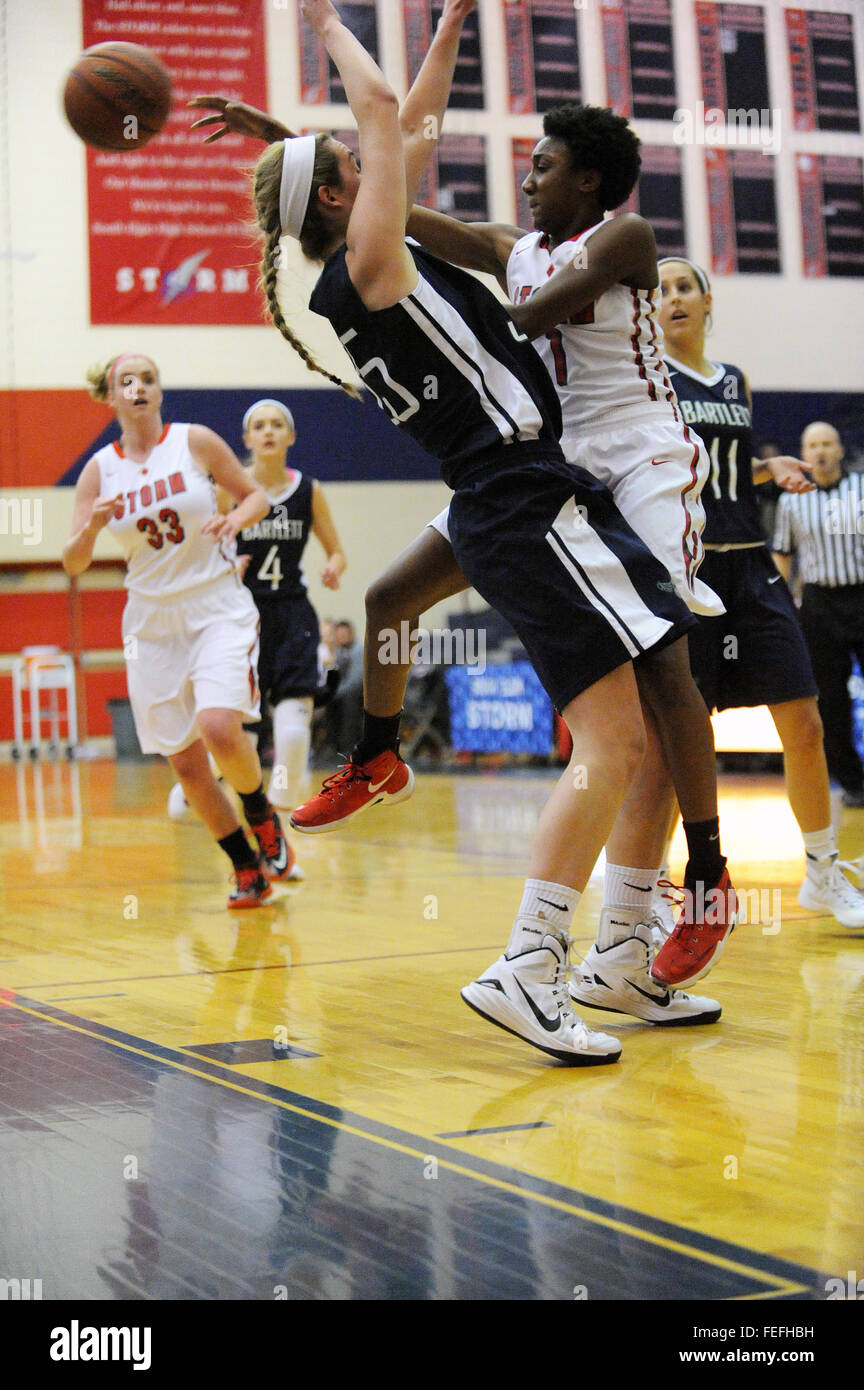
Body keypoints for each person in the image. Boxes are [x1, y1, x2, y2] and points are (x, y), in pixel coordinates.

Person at [238, 0, 738, 1065]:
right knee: (617, 740)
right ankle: (539, 957)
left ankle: (387, 767)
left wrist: (450, 26)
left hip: (508, 489)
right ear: (341, 196)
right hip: (525, 490)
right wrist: (324, 20)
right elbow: (382, 111)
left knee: (612, 708)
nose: (373, 162)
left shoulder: (351, 267)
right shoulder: (378, 255)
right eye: (347, 165)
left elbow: (402, 132)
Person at [655, 262, 864, 930]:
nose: (672, 298)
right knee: (678, 742)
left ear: (707, 300)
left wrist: (767, 466)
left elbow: (719, 469)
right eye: (659, 291)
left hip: (753, 567)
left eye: (684, 287)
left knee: (805, 724)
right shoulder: (650, 380)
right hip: (690, 574)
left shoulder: (734, 380)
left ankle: (823, 872)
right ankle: (651, 882)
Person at [62, 354, 297, 908]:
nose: (140, 387)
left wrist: (237, 519)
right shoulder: (99, 469)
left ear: (159, 392)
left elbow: (256, 495)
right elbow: (73, 561)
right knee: (186, 763)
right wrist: (93, 524)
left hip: (215, 603)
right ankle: (246, 868)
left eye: (148, 379)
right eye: (128, 381)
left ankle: (260, 812)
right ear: (112, 397)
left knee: (219, 726)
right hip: (150, 621)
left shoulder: (194, 441)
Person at [169, 397, 347, 838]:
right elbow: (203, 544)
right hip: (238, 615)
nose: (268, 431)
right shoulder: (231, 489)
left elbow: (337, 550)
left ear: (290, 436)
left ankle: (285, 820)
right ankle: (204, 780)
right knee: (238, 728)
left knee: (290, 730)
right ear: (246, 439)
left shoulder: (310, 489)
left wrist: (334, 568)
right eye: (259, 426)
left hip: (292, 612)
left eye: (277, 424)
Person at [773, 422, 864, 810]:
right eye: (813, 445)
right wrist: (778, 602)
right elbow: (782, 553)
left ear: (841, 450)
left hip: (862, 595)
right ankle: (855, 783)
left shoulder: (860, 490)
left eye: (827, 443)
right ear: (804, 454)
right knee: (829, 701)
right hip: (819, 606)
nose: (821, 451)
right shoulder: (792, 499)